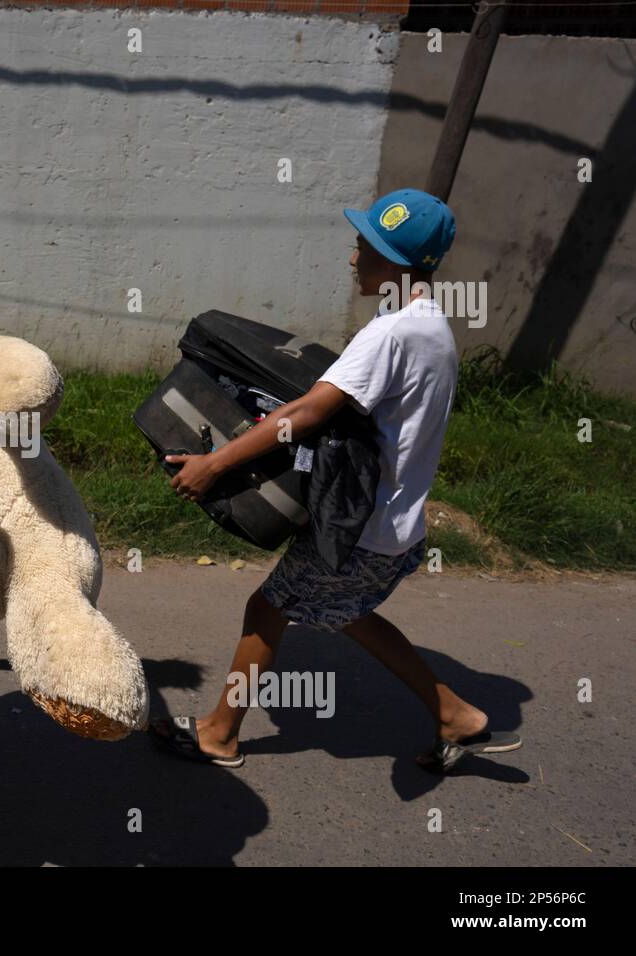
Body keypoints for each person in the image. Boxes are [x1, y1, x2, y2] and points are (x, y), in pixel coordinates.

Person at [148, 188, 522, 774]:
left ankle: (219, 733)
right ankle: (454, 715)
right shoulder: (427, 323)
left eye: (364, 247)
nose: (353, 259)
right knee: (345, 611)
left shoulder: (391, 334)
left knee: (268, 606)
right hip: (393, 521)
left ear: (397, 263)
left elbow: (307, 413)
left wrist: (214, 463)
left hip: (360, 526)